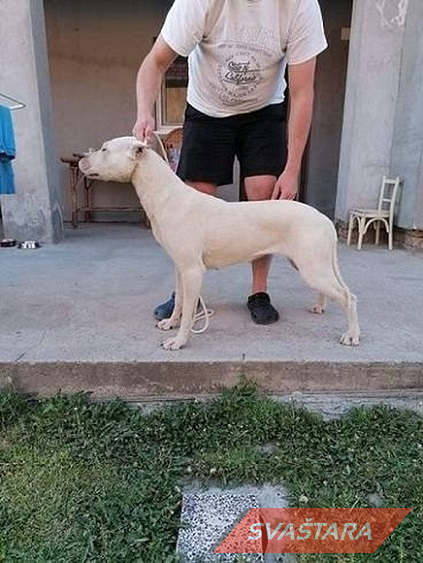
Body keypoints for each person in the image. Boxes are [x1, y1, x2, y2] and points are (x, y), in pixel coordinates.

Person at [133, 0, 327, 324]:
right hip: (207, 108)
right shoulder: (200, 4)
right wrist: (144, 112)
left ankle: (259, 291)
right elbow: (155, 63)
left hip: (264, 111)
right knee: (193, 201)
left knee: (263, 195)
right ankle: (184, 296)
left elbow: (303, 92)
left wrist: (292, 169)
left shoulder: (300, 6)